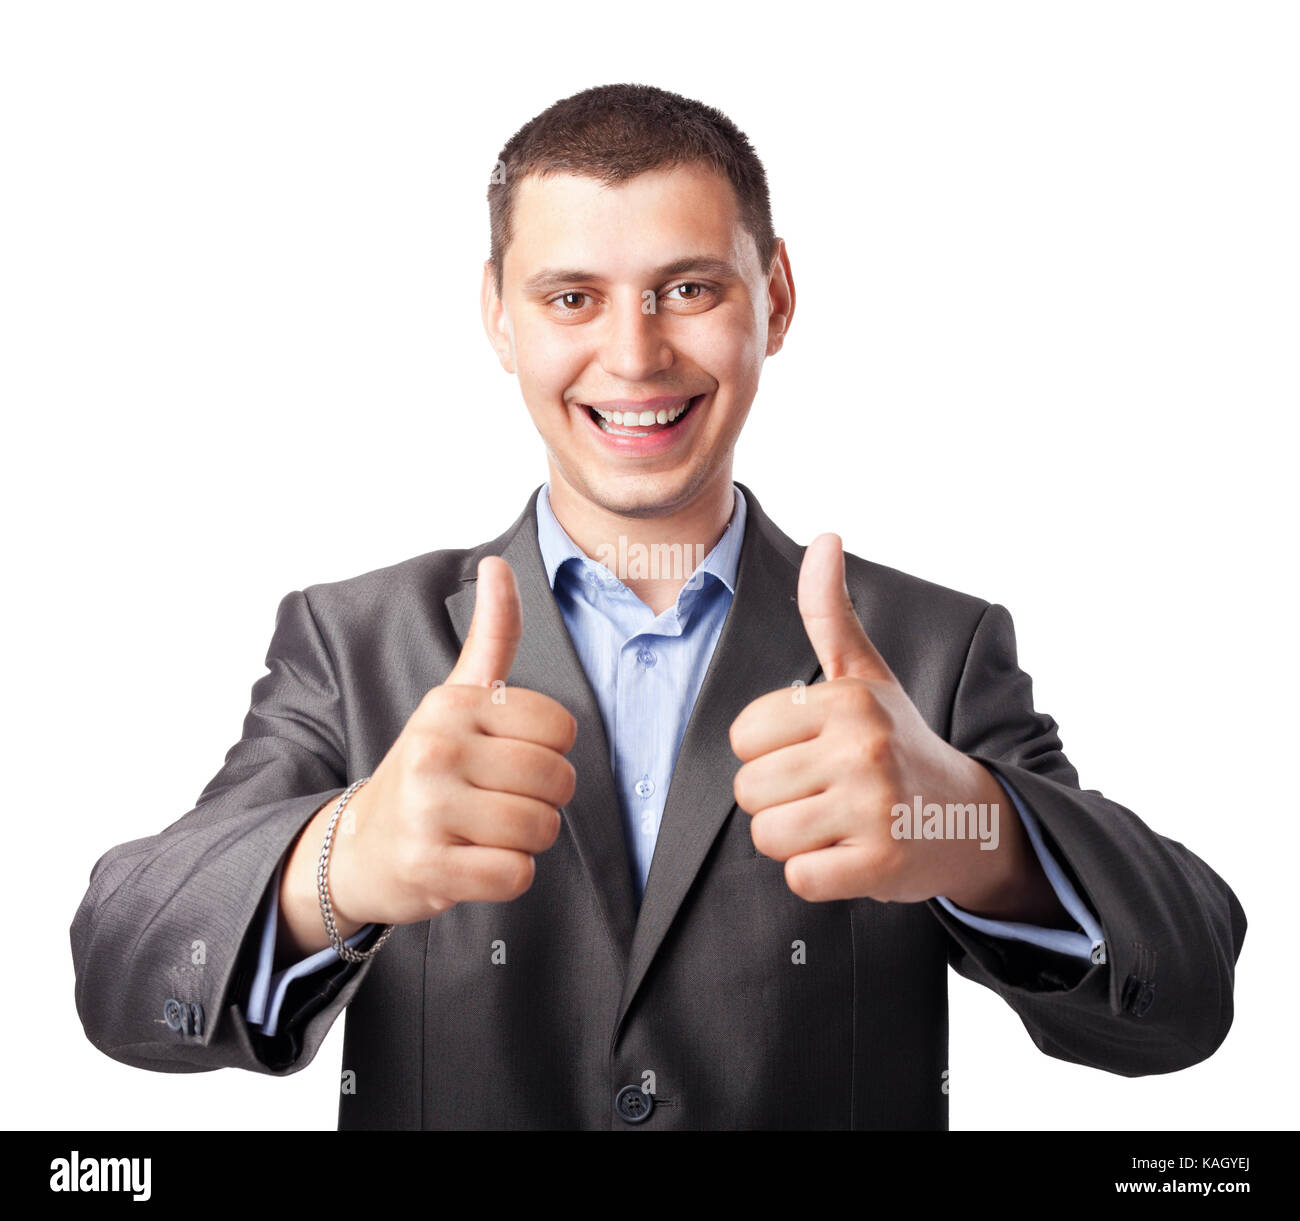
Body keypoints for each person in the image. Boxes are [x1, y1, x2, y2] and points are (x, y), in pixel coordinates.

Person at [70, 83, 1246, 1130]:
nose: (632, 357)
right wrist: (338, 860)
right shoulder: (352, 639)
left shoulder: (932, 653)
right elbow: (122, 972)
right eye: (571, 296)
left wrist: (969, 830)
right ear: (498, 315)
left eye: (687, 288)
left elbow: (1185, 992)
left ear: (774, 298)